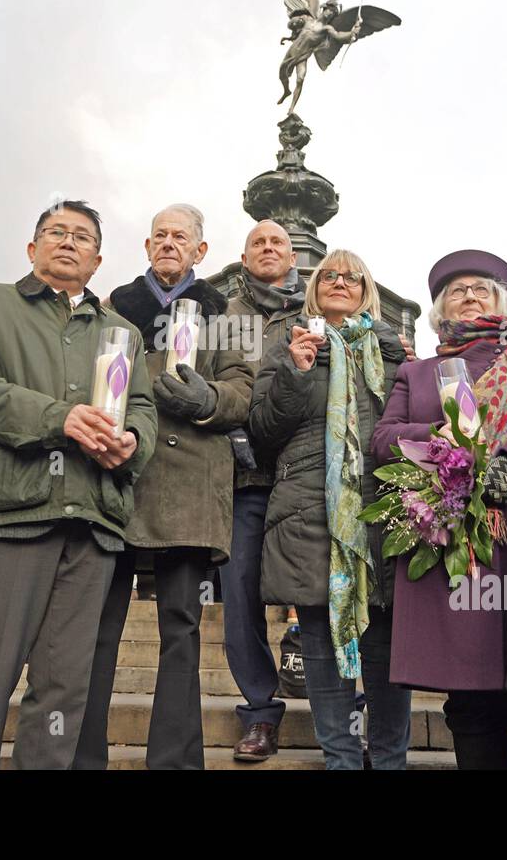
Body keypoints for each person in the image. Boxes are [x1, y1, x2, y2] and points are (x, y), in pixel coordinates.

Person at [0, 200, 158, 771]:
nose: (68, 241)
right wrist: (57, 418)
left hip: (91, 521)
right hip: (12, 514)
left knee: (64, 690)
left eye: (82, 236)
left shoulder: (122, 332)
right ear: (31, 248)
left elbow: (142, 408)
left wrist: (133, 440)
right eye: (55, 232)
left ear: (98, 260)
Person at [370, 251, 507, 769]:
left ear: (503, 302)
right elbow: (383, 439)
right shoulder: (416, 373)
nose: (471, 296)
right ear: (440, 310)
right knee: (471, 699)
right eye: (457, 292)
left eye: (483, 289)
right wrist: (446, 440)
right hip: (452, 546)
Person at [73, 204, 253, 770]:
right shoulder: (114, 309)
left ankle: (174, 762)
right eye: (160, 236)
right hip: (119, 476)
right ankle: (81, 757)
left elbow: (243, 391)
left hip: (191, 484)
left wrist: (209, 400)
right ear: (147, 247)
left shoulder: (226, 315)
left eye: (181, 237)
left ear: (201, 251)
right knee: (99, 628)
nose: (169, 243)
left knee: (183, 627)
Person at [249, 249, 411, 769]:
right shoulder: (287, 347)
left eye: (353, 277)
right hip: (309, 514)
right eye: (330, 276)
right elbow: (263, 433)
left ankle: (389, 762)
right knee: (320, 647)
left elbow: (415, 430)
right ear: (315, 286)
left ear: (368, 291)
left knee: (386, 653)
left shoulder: (393, 354)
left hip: (382, 514)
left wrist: (407, 364)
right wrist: (295, 373)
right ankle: (341, 760)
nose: (340, 282)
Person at [222, 220, 306, 761]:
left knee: (326, 591)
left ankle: (346, 705)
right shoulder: (222, 313)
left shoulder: (319, 306)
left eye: (278, 241)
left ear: (293, 255)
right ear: (245, 257)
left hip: (305, 476)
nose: (269, 248)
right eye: (259, 242)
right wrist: (233, 431)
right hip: (244, 477)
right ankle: (259, 712)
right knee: (239, 595)